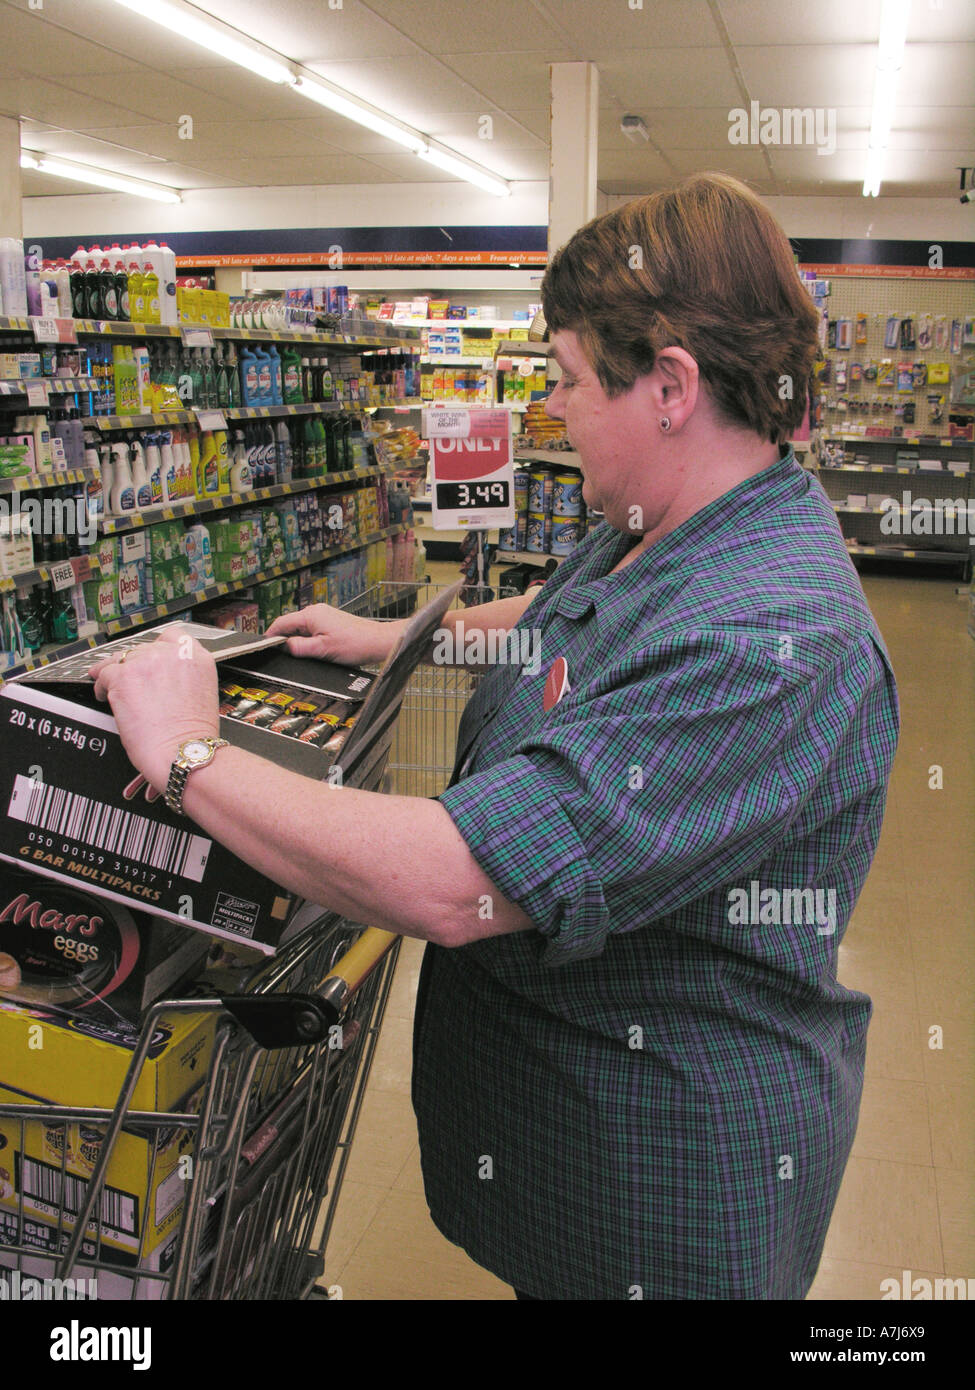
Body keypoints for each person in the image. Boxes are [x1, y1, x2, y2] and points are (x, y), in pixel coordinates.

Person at [91, 172, 899, 1300]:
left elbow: (455, 882)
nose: (548, 409)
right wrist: (396, 637)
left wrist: (186, 756)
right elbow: (567, 614)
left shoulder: (773, 641)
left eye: (567, 379)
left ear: (670, 386)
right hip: (575, 1142)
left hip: (665, 1191)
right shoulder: (673, 522)